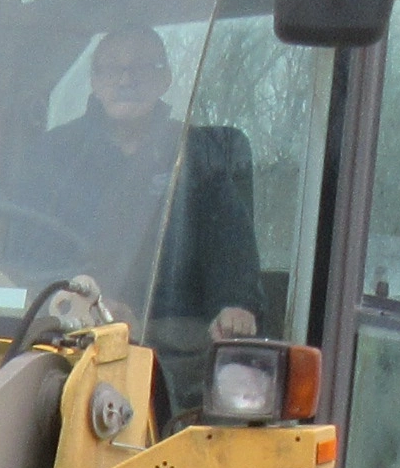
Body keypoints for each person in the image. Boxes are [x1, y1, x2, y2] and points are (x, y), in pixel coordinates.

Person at [22, 25, 266, 335]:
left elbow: (230, 246)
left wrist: (236, 304)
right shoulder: (53, 154)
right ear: (94, 81)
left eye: (140, 68)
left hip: (169, 340)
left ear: (165, 79)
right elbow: (26, 253)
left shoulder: (199, 154)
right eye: (112, 70)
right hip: (64, 328)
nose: (125, 80)